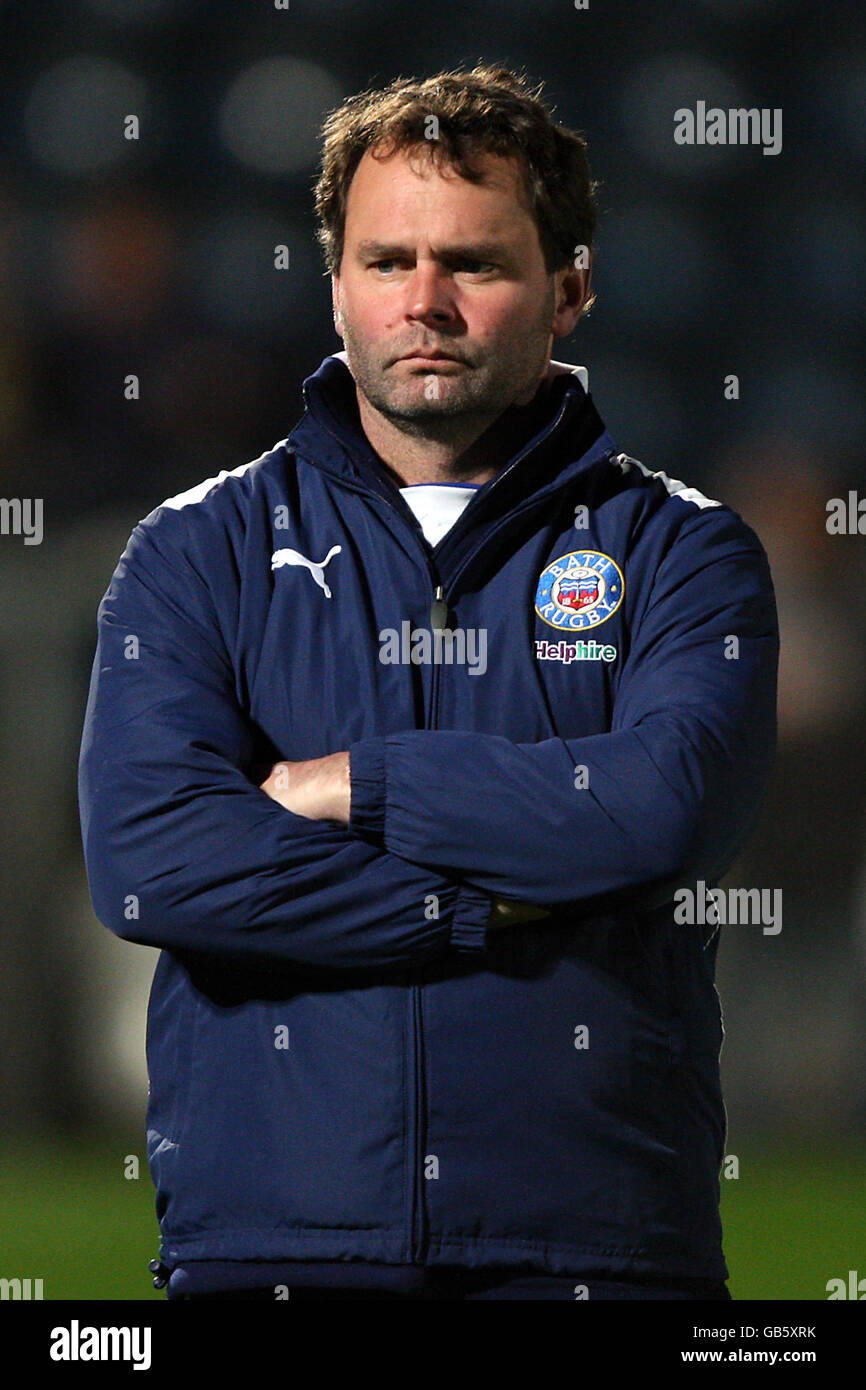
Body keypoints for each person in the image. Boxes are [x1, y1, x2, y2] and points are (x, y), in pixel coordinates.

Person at [77, 64, 779, 1301]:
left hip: (597, 1247)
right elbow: (155, 860)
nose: (424, 302)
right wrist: (481, 904)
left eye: (474, 263)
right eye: (386, 261)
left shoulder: (683, 549)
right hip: (271, 1245)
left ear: (568, 290)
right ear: (335, 285)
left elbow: (662, 811)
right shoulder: (197, 548)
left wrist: (362, 785)